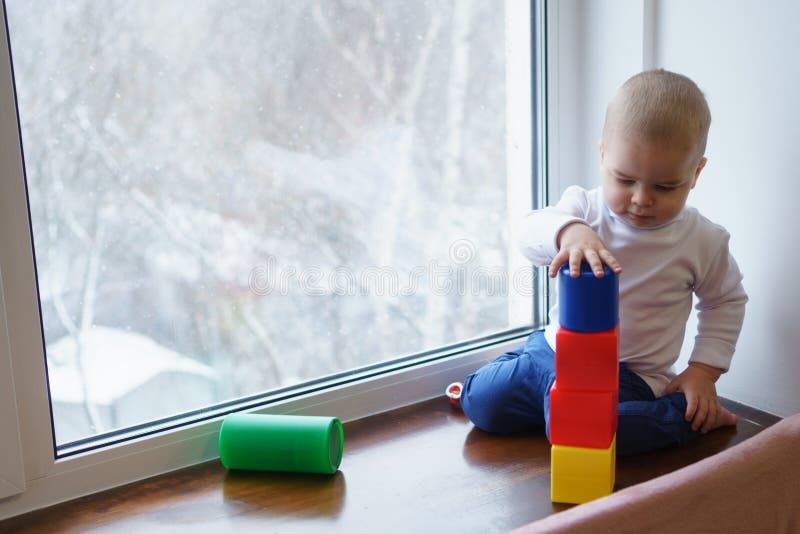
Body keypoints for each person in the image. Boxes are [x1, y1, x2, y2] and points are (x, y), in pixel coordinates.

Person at [461, 69, 748, 456]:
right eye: (625, 179)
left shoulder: (702, 240)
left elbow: (725, 301)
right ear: (602, 157)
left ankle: (687, 414)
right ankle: (551, 411)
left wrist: (704, 371)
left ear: (695, 174)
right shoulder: (583, 208)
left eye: (665, 186)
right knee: (479, 401)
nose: (641, 198)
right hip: (552, 352)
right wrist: (568, 232)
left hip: (626, 376)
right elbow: (528, 234)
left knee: (609, 433)